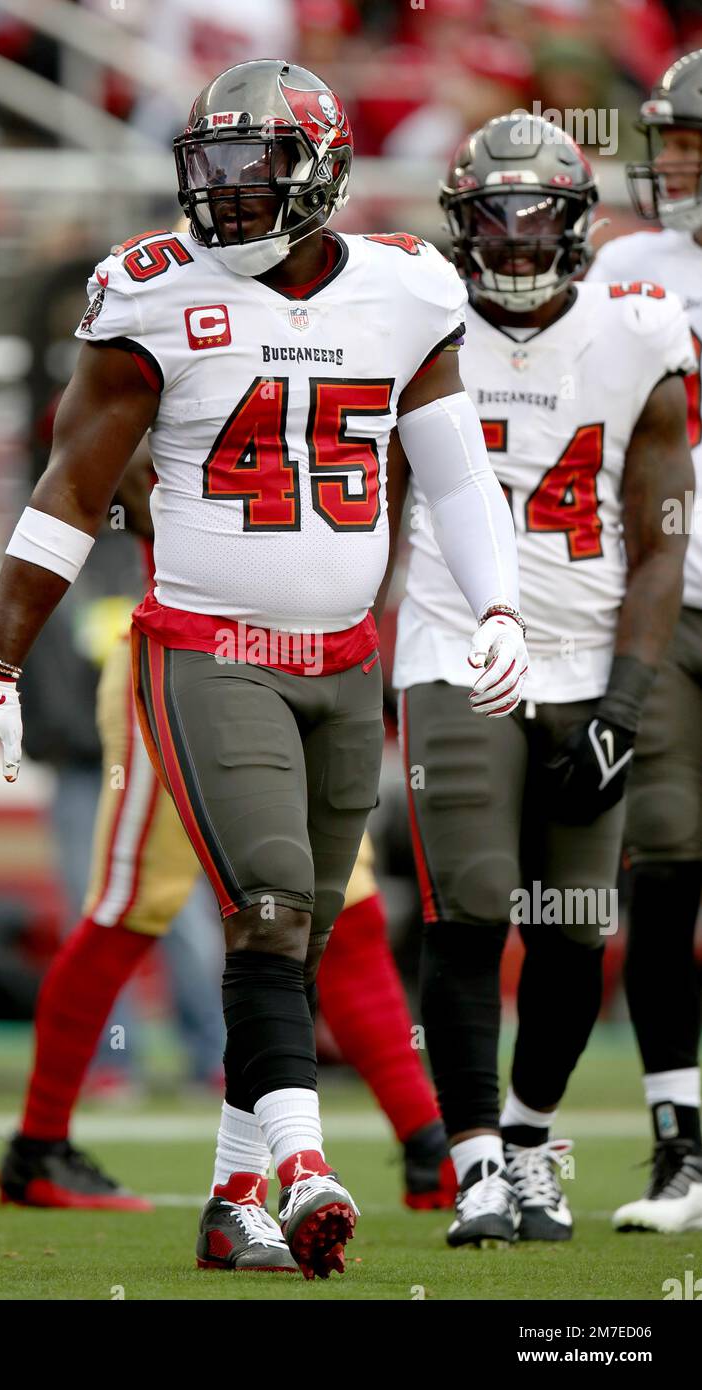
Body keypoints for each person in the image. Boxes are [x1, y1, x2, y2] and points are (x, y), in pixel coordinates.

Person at [0, 59, 526, 1279]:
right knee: (261, 905)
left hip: (342, 661)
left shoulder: (405, 289)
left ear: (320, 175)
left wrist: (498, 607)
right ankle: (310, 1165)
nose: (228, 199)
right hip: (205, 648)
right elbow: (70, 493)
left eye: (255, 173)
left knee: (311, 929)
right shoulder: (150, 293)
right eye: (209, 171)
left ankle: (233, 1195)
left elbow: (458, 470)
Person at [0, 458, 458, 1223]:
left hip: (312, 663)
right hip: (194, 661)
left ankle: (425, 1142)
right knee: (129, 910)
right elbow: (120, 469)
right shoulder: (185, 349)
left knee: (344, 915)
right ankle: (38, 1144)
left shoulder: (334, 347)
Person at [393, 113, 694, 1247]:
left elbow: (659, 535)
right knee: (469, 901)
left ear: (577, 231)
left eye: (537, 222)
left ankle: (526, 1146)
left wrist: (622, 703)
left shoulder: (637, 326)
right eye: (492, 222)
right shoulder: (418, 321)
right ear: (458, 229)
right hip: (454, 647)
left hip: (585, 658)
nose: (515, 246)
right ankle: (471, 1164)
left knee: (573, 927)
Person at [587, 50, 702, 1234]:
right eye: (664, 141)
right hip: (660, 602)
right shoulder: (624, 265)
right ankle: (680, 1145)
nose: (666, 163)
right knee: (662, 868)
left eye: (688, 144)